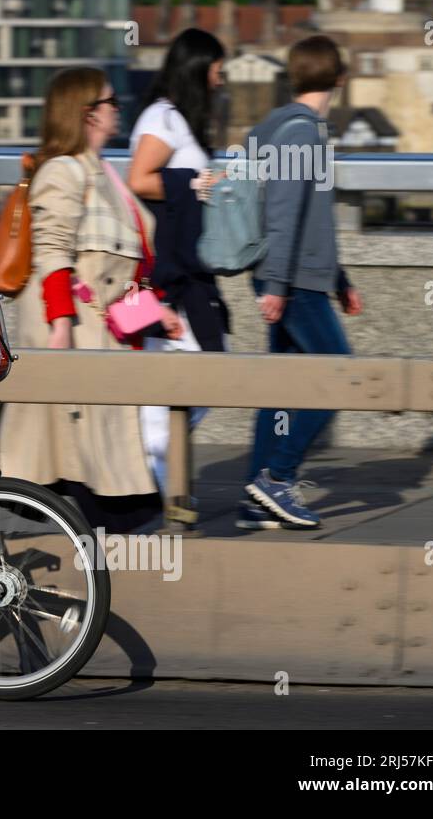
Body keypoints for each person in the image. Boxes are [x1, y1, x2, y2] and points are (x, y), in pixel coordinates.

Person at [0, 67, 182, 532]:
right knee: (97, 470)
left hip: (103, 336)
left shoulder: (103, 174)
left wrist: (154, 312)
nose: (118, 109)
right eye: (110, 102)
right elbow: (54, 253)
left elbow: (114, 275)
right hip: (79, 336)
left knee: (96, 467)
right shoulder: (65, 171)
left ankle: (106, 560)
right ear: (87, 114)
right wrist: (61, 326)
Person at [242, 35, 362, 529]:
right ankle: (277, 477)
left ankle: (256, 499)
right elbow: (287, 212)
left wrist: (339, 277)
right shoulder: (301, 133)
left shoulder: (280, 126)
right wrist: (276, 284)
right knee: (341, 377)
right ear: (339, 77)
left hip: (299, 275)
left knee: (280, 387)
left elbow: (309, 216)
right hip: (292, 281)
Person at [127, 27, 229, 495]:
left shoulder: (176, 120)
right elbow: (139, 179)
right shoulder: (163, 118)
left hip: (186, 271)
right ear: (197, 69)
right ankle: (155, 492)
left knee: (196, 377)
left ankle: (157, 487)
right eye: (216, 70)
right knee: (187, 379)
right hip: (166, 274)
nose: (221, 80)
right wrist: (194, 184)